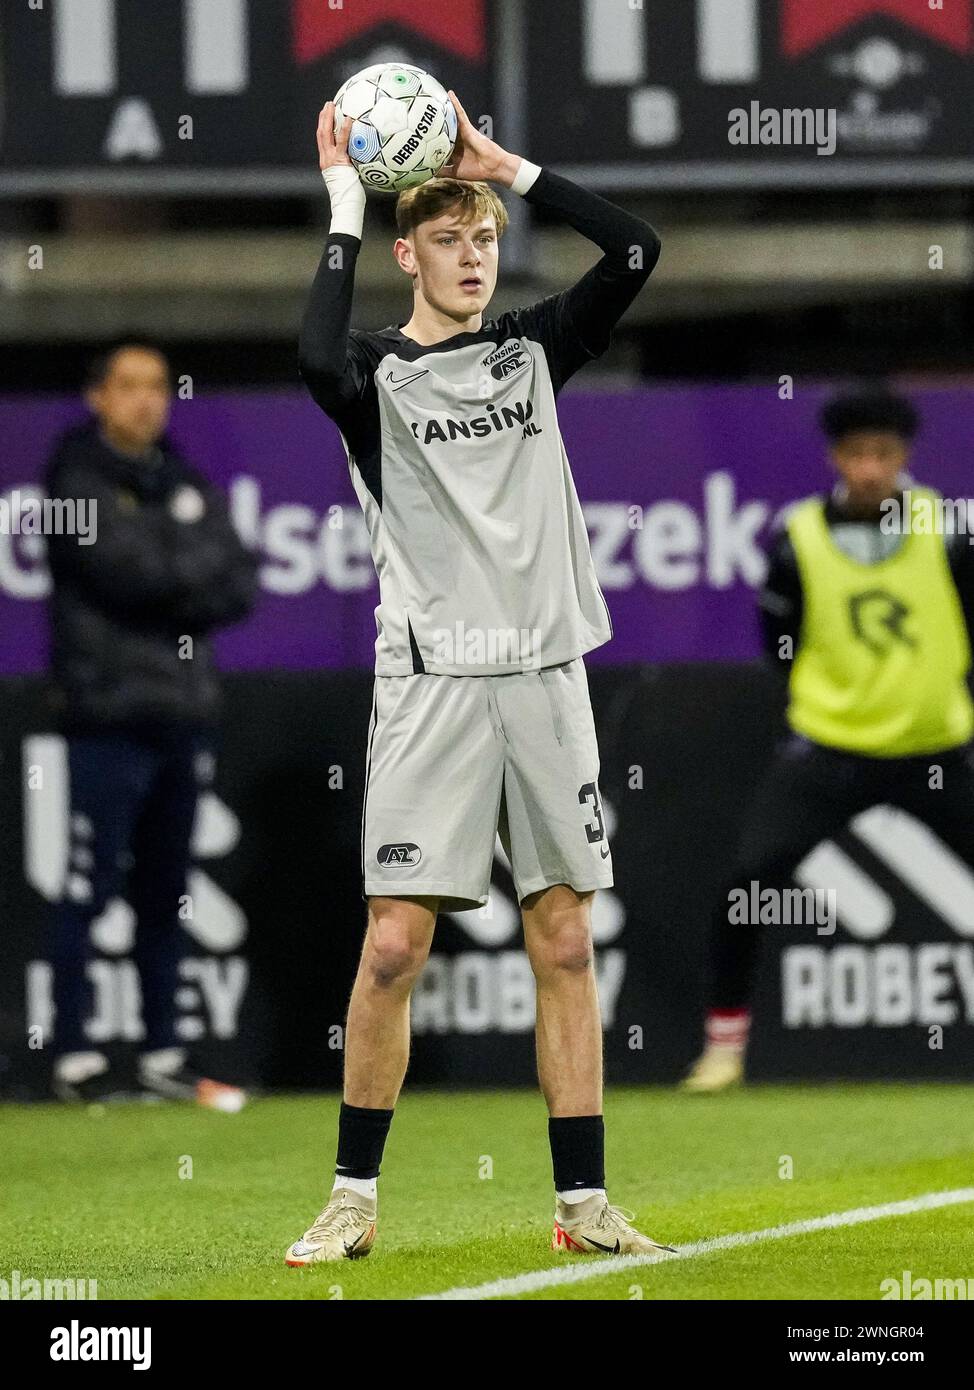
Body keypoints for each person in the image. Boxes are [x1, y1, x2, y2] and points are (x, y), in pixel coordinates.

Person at [286, 94, 668, 1263]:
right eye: (447, 239)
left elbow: (641, 249)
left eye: (485, 238)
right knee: (394, 944)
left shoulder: (535, 349)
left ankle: (585, 1206)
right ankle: (351, 1198)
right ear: (409, 253)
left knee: (561, 941)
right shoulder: (372, 375)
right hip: (430, 682)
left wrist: (515, 166)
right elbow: (309, 354)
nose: (470, 257)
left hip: (544, 673)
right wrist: (345, 208)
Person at [684, 388, 974, 1092]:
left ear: (903, 457)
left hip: (936, 750)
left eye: (884, 453)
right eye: (857, 454)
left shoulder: (951, 534)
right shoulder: (797, 540)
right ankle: (723, 1050)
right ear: (834, 458)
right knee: (749, 883)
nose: (871, 468)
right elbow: (778, 645)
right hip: (830, 749)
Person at [45, 340, 258, 1109]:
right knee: (89, 885)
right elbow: (119, 570)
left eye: (158, 386)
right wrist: (182, 558)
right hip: (107, 715)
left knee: (166, 893)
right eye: (129, 386)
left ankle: (164, 1051)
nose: (147, 401)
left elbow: (238, 580)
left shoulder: (183, 476)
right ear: (98, 396)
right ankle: (73, 1054)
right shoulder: (70, 479)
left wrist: (173, 564)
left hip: (182, 713)